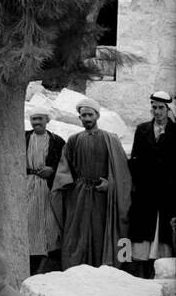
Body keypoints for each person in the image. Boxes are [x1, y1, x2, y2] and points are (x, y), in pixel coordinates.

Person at [51, 98, 132, 268]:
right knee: (75, 235)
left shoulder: (111, 139)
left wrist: (110, 185)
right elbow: (65, 168)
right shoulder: (73, 140)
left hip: (103, 196)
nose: (87, 118)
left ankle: (105, 270)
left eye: (90, 114)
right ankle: (74, 272)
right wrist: (69, 186)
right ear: (79, 118)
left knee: (100, 234)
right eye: (83, 115)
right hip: (78, 196)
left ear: (97, 115)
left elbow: (123, 173)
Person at [128, 91, 175, 277]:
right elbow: (135, 158)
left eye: (161, 108)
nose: (157, 112)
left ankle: (161, 271)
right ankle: (140, 271)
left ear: (167, 109)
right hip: (145, 190)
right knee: (142, 228)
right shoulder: (142, 130)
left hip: (167, 190)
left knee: (163, 230)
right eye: (154, 107)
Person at [24, 112, 65, 275]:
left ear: (47, 121)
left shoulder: (57, 141)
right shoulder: (23, 137)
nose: (37, 122)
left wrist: (52, 170)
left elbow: (65, 165)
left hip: (48, 188)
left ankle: (48, 262)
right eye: (34, 119)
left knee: (50, 224)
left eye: (40, 119)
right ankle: (30, 261)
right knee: (29, 222)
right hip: (26, 184)